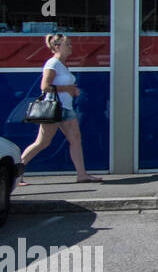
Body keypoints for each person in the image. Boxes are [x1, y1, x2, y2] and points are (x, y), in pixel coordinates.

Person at [18, 32, 102, 184]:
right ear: (57, 47)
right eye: (67, 44)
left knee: (76, 139)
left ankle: (82, 174)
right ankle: (17, 172)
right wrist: (68, 88)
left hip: (67, 108)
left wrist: (73, 90)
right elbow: (45, 87)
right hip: (54, 109)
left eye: (70, 44)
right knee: (42, 142)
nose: (70, 47)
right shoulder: (52, 64)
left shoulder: (63, 64)